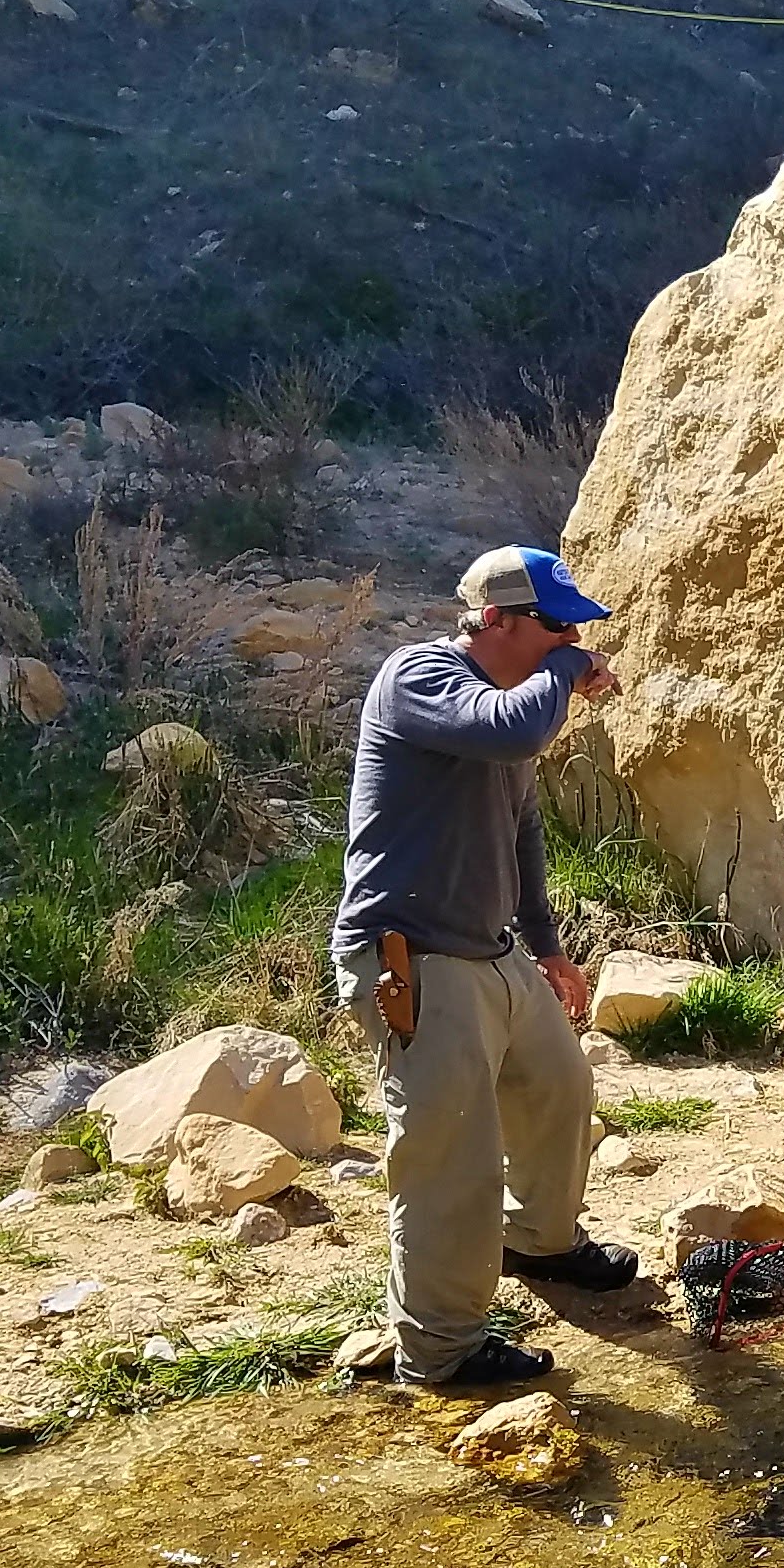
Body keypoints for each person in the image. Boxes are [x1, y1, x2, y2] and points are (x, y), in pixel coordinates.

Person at [330, 545, 642, 1388]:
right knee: (449, 1161)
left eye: (576, 626)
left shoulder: (507, 704)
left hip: (492, 951)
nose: (572, 638)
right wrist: (571, 671)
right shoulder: (419, 677)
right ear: (496, 620)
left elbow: (521, 832)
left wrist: (547, 946)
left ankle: (537, 1243)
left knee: (560, 1090)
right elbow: (514, 729)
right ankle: (438, 1351)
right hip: (413, 960)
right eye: (555, 624)